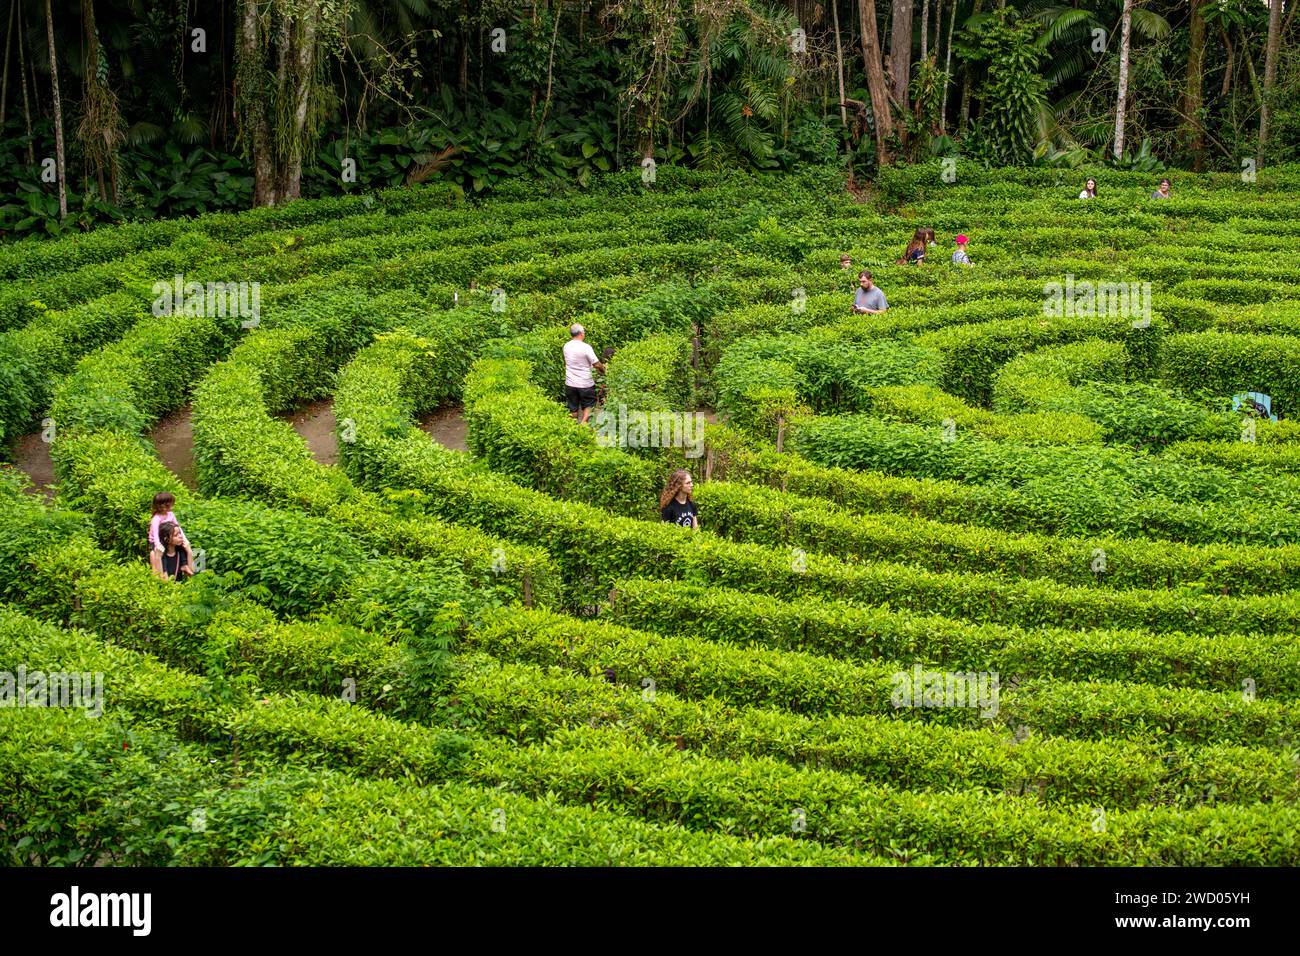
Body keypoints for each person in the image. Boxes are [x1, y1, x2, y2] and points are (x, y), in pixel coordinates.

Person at [563, 323, 606, 424]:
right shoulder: (585, 347)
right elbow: (596, 364)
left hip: (570, 383)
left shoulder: (566, 346)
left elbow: (566, 362)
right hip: (585, 383)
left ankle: (572, 427)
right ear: (581, 334)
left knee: (573, 409)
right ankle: (583, 426)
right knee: (588, 406)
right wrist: (603, 370)